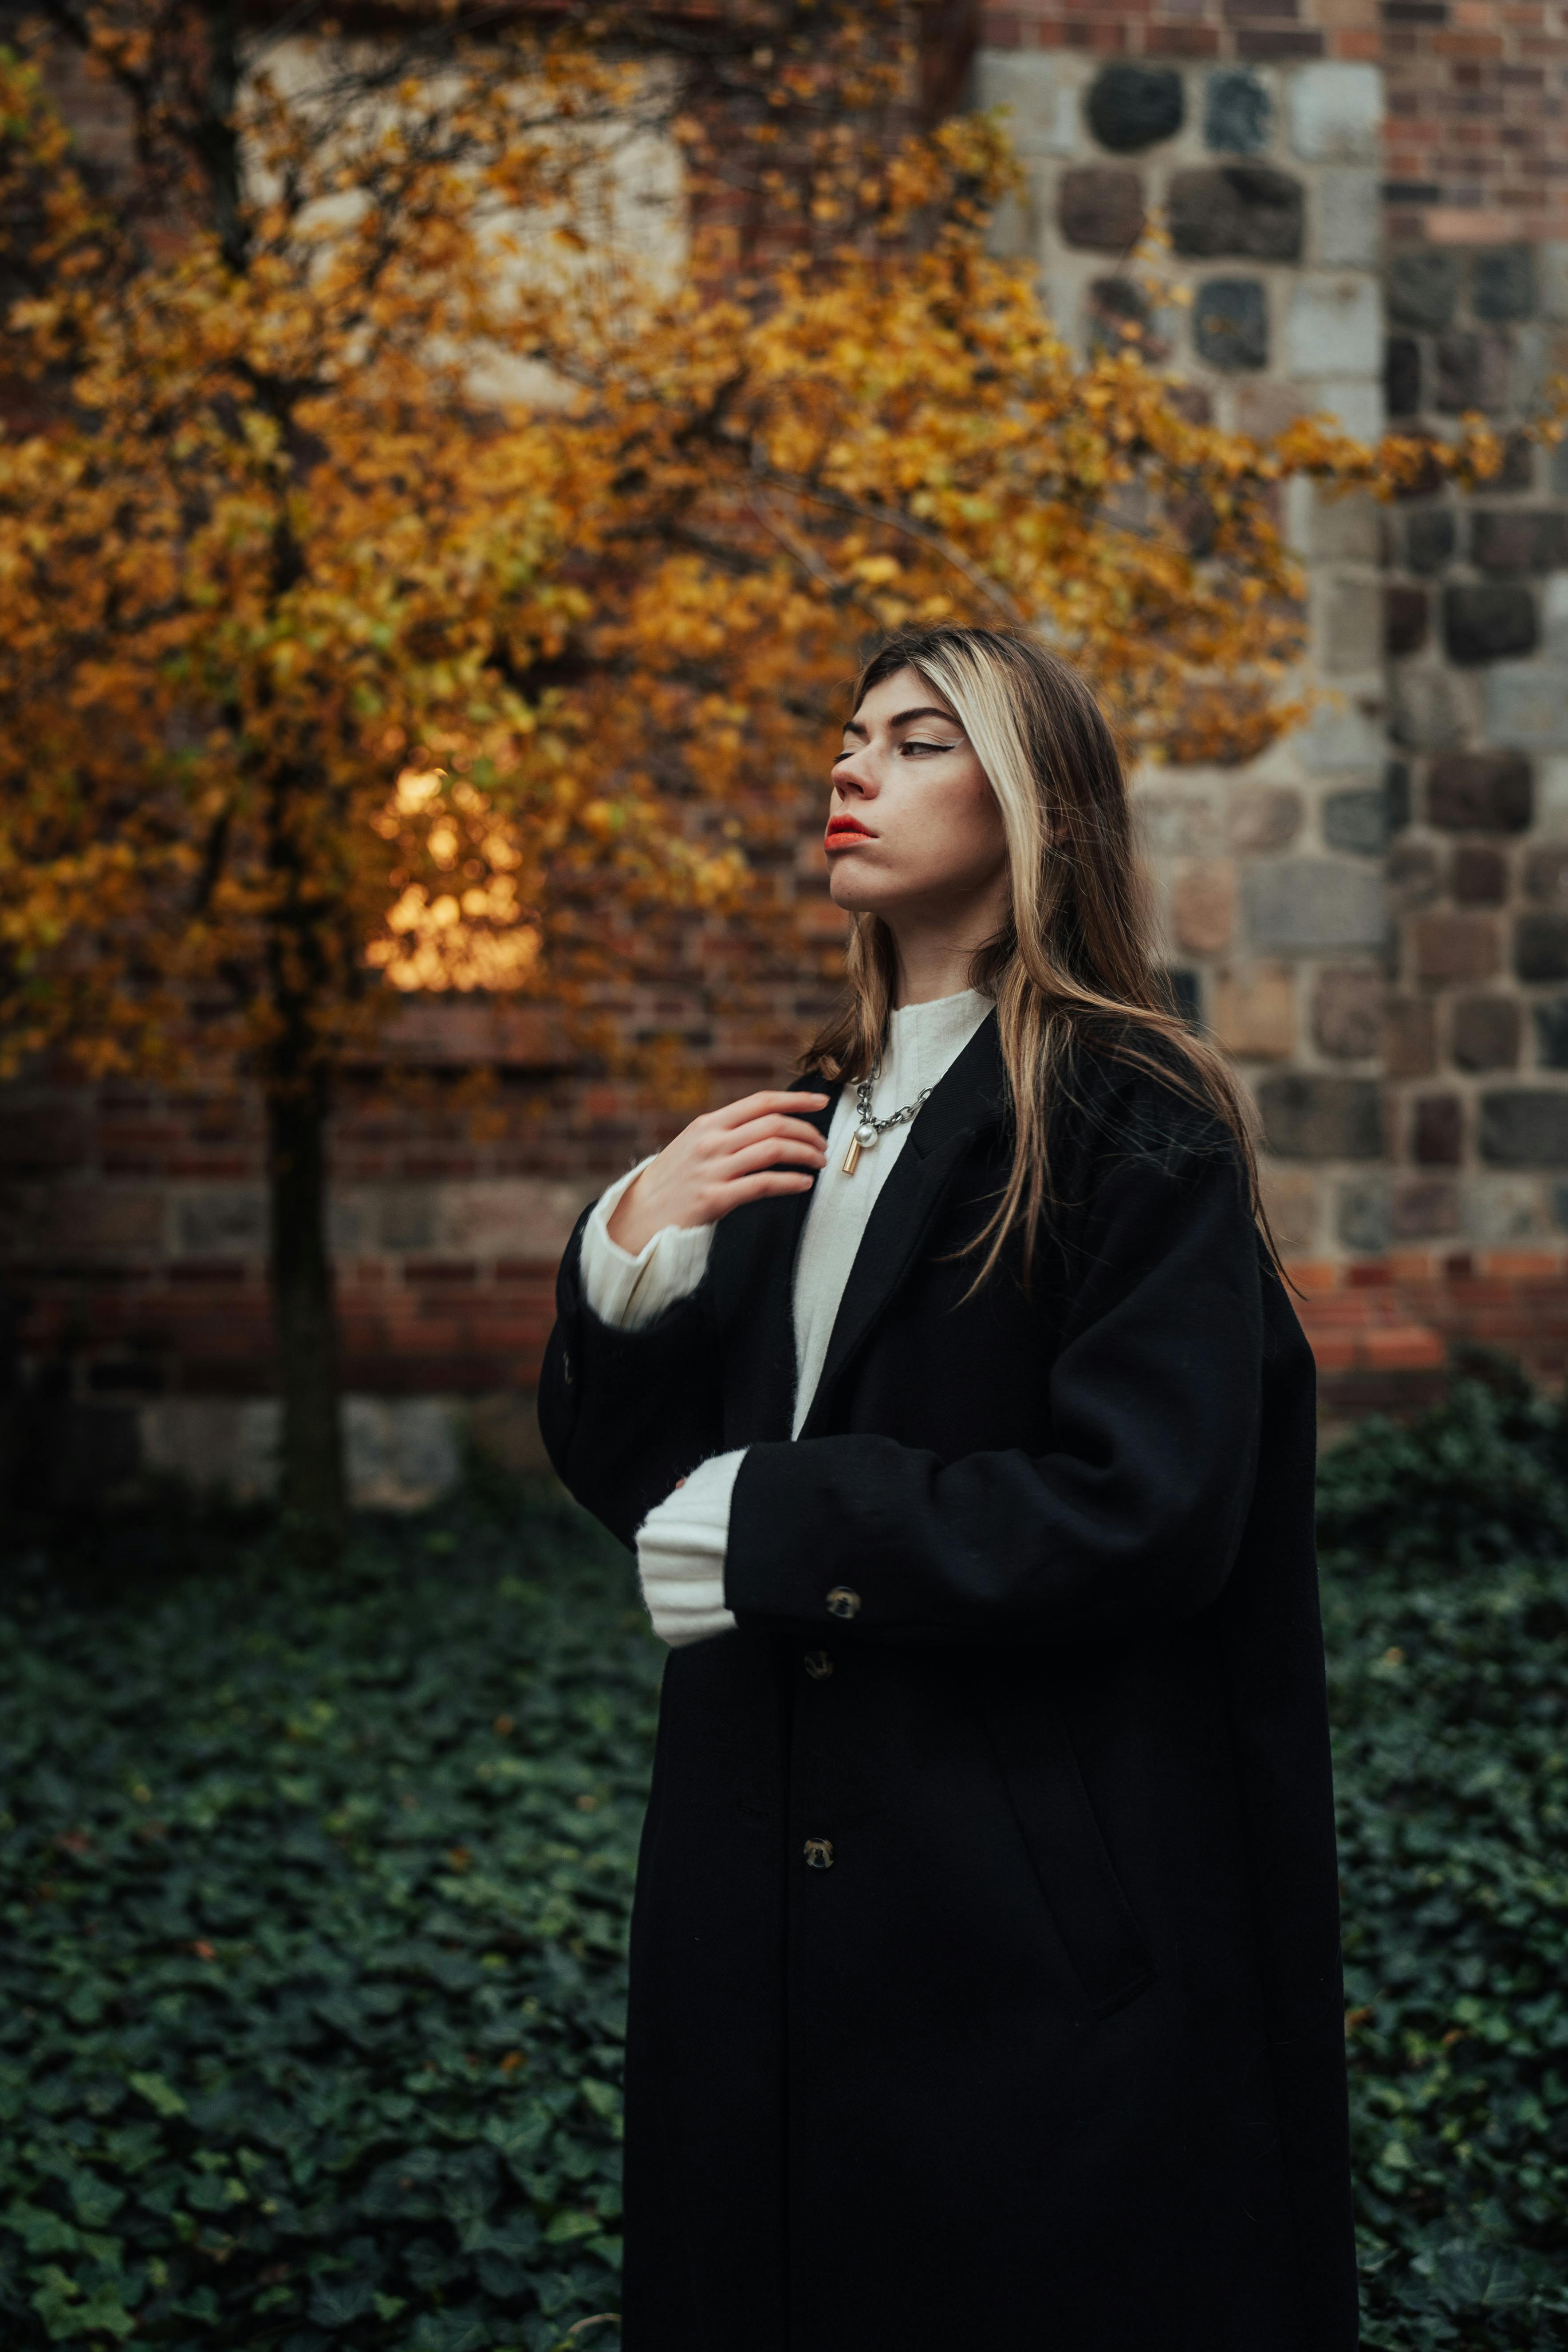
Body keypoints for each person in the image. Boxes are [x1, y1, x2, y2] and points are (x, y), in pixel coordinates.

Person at [537, 624, 1358, 2352]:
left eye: (914, 743)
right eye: (846, 738)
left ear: (1031, 806)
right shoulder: (803, 1117)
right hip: (763, 1913)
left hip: (1008, 1953)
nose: (847, 769)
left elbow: (1146, 1506)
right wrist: (624, 1257)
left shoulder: (1132, 1122)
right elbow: (673, 1500)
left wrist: (789, 1524)